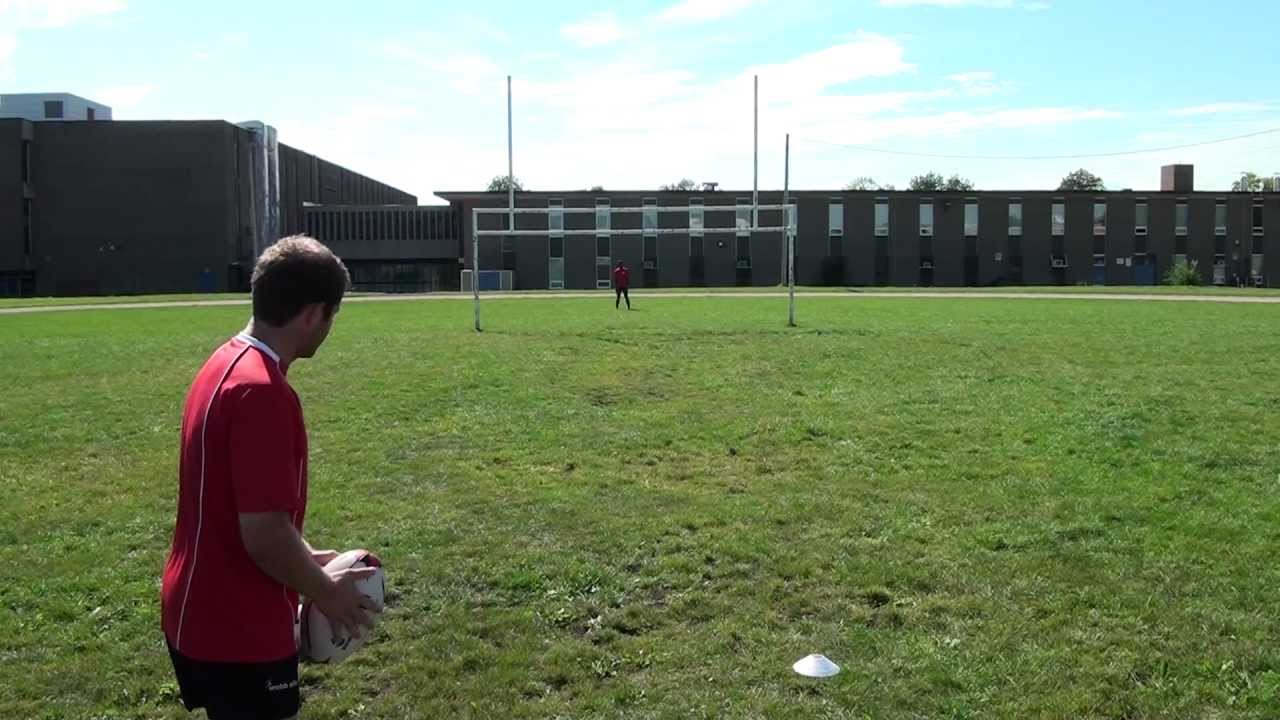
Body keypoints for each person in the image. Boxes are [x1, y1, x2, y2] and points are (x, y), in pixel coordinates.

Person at [161, 235, 381, 720]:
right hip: (237, 627)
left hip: (195, 608)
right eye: (332, 315)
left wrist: (312, 560)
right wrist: (327, 592)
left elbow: (232, 509)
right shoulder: (264, 394)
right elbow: (262, 533)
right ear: (313, 313)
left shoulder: (222, 363)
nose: (330, 328)